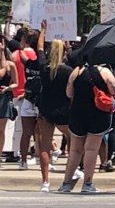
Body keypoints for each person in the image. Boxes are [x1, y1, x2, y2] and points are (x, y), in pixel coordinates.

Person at [57, 53, 115, 194]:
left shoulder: (76, 72)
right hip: (98, 114)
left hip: (78, 113)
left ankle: (66, 183)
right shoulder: (105, 72)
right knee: (91, 150)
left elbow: (69, 93)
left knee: (75, 151)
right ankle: (87, 183)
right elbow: (114, 91)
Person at [34, 22, 78, 192]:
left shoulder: (44, 66)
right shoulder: (68, 71)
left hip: (45, 108)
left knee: (44, 145)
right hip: (63, 109)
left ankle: (45, 181)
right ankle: (71, 172)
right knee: (74, 142)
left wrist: (43, 30)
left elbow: (39, 48)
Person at [13, 28, 40, 170]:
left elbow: (21, 54)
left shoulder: (27, 61)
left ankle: (23, 161)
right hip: (40, 100)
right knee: (40, 133)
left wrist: (22, 44)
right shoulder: (43, 62)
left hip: (28, 97)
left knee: (26, 133)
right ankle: (41, 158)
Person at [0, 37, 20, 164]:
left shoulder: (10, 64)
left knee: (1, 130)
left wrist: (8, 88)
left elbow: (16, 83)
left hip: (3, 99)